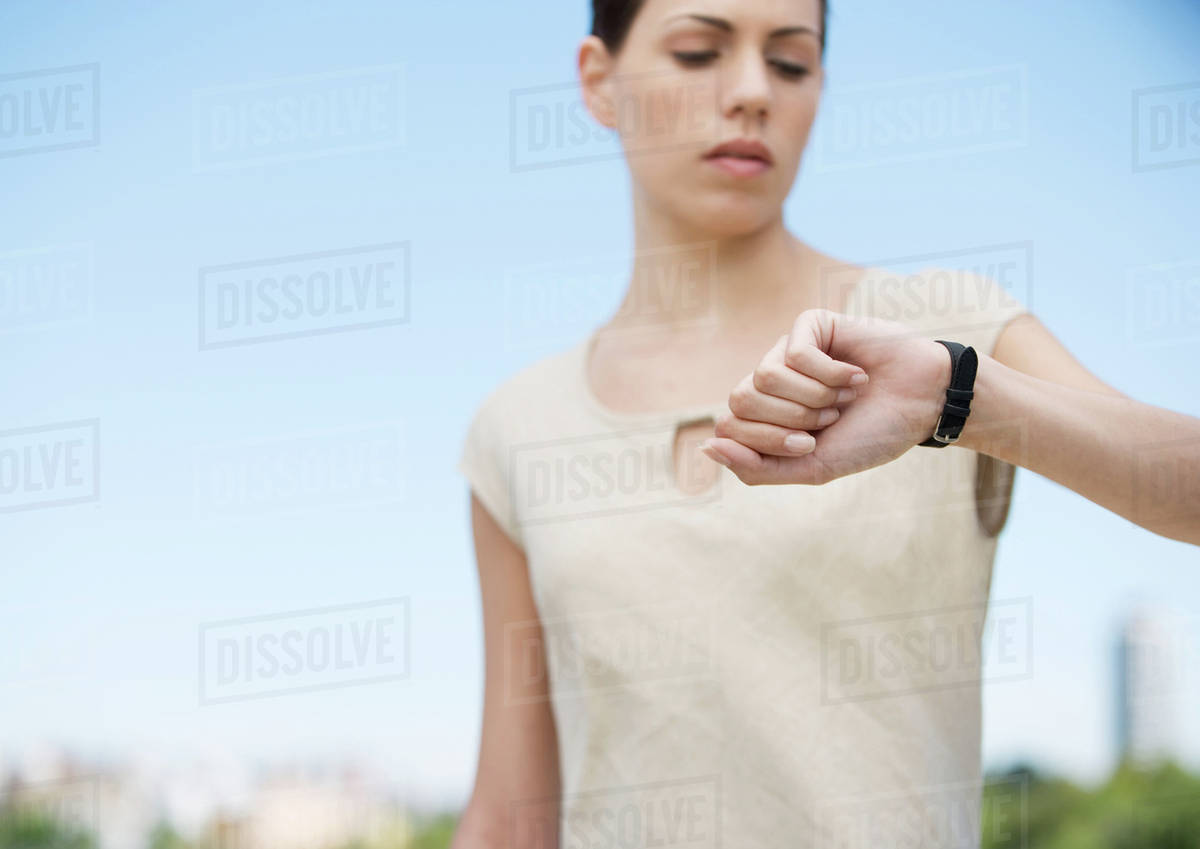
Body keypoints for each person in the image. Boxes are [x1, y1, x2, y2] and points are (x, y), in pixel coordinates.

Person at [453, 1, 1200, 846]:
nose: (750, 92)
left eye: (791, 63)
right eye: (699, 52)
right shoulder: (515, 428)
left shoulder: (940, 328)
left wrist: (963, 397)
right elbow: (511, 818)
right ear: (599, 80)